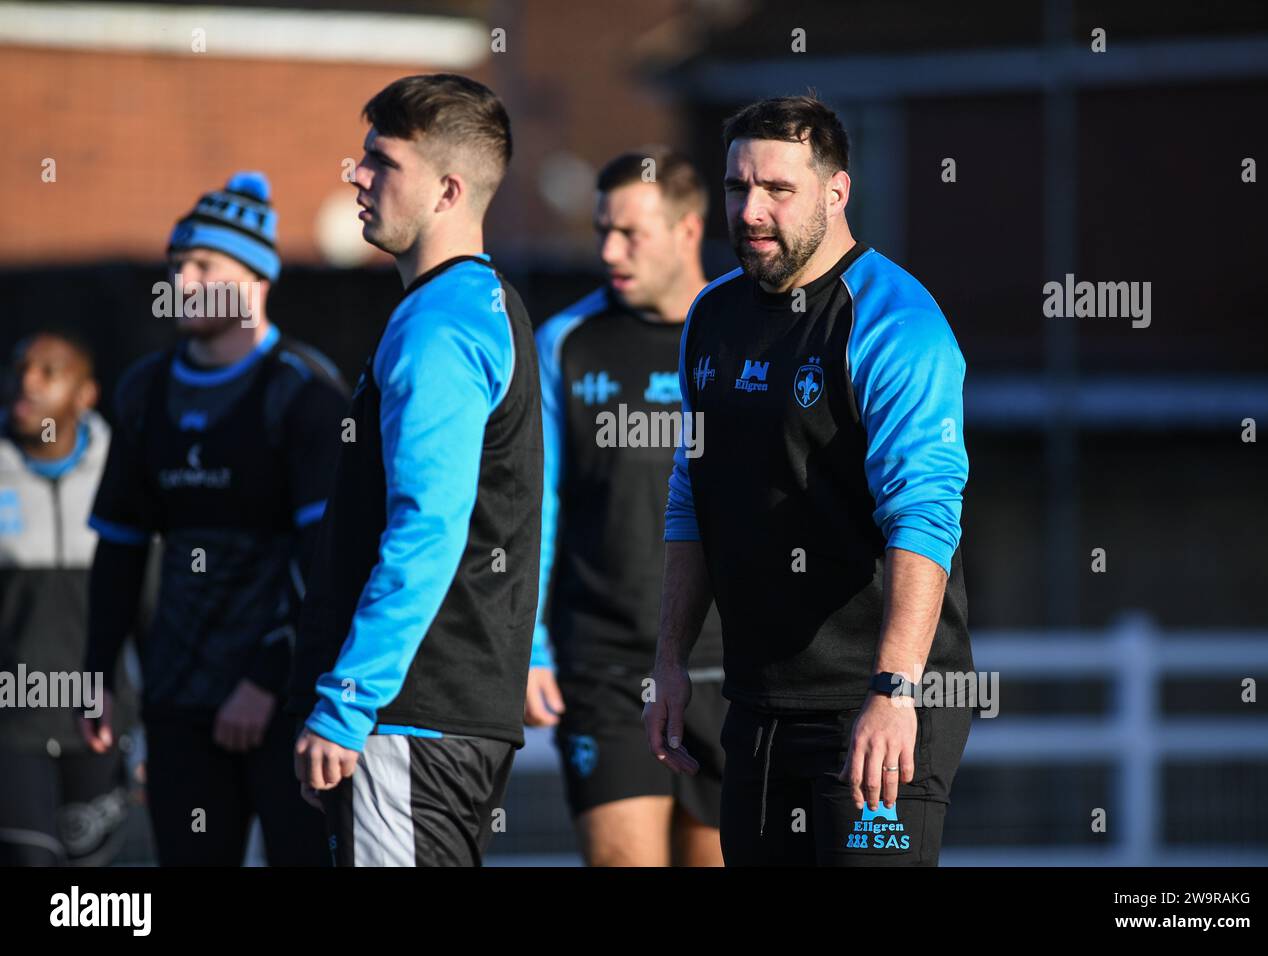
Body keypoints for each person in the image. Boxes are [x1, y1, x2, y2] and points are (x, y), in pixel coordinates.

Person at [645, 95, 975, 866]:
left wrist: (894, 692)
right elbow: (692, 496)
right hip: (756, 703)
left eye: (777, 190)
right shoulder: (710, 318)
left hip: (874, 705)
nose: (751, 210)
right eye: (737, 188)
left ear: (836, 192)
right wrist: (668, 661)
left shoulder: (895, 322)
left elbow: (925, 513)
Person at [289, 73, 542, 867]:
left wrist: (347, 700)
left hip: (409, 713)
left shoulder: (438, 325)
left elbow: (428, 524)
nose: (357, 176)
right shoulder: (486, 303)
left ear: (447, 190)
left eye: (381, 161)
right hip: (447, 711)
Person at [81, 171, 346, 866]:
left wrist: (267, 678)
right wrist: (97, 673)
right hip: (178, 698)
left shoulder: (303, 391)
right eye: (176, 265)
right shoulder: (145, 390)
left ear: (257, 279)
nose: (182, 280)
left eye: (203, 266)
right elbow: (120, 544)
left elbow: (328, 559)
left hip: (288, 705)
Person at [527, 148, 726, 866]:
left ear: (687, 230)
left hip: (733, 664)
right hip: (608, 666)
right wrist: (533, 646)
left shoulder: (742, 330)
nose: (609, 251)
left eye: (630, 234)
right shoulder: (565, 343)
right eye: (601, 230)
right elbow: (535, 505)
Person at [0, 331, 138, 865]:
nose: (27, 381)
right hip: (12, 722)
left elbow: (150, 612)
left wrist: (149, 731)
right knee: (28, 859)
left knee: (88, 888)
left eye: (49, 371)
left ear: (86, 395)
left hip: (98, 722)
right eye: (20, 367)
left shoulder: (124, 473)